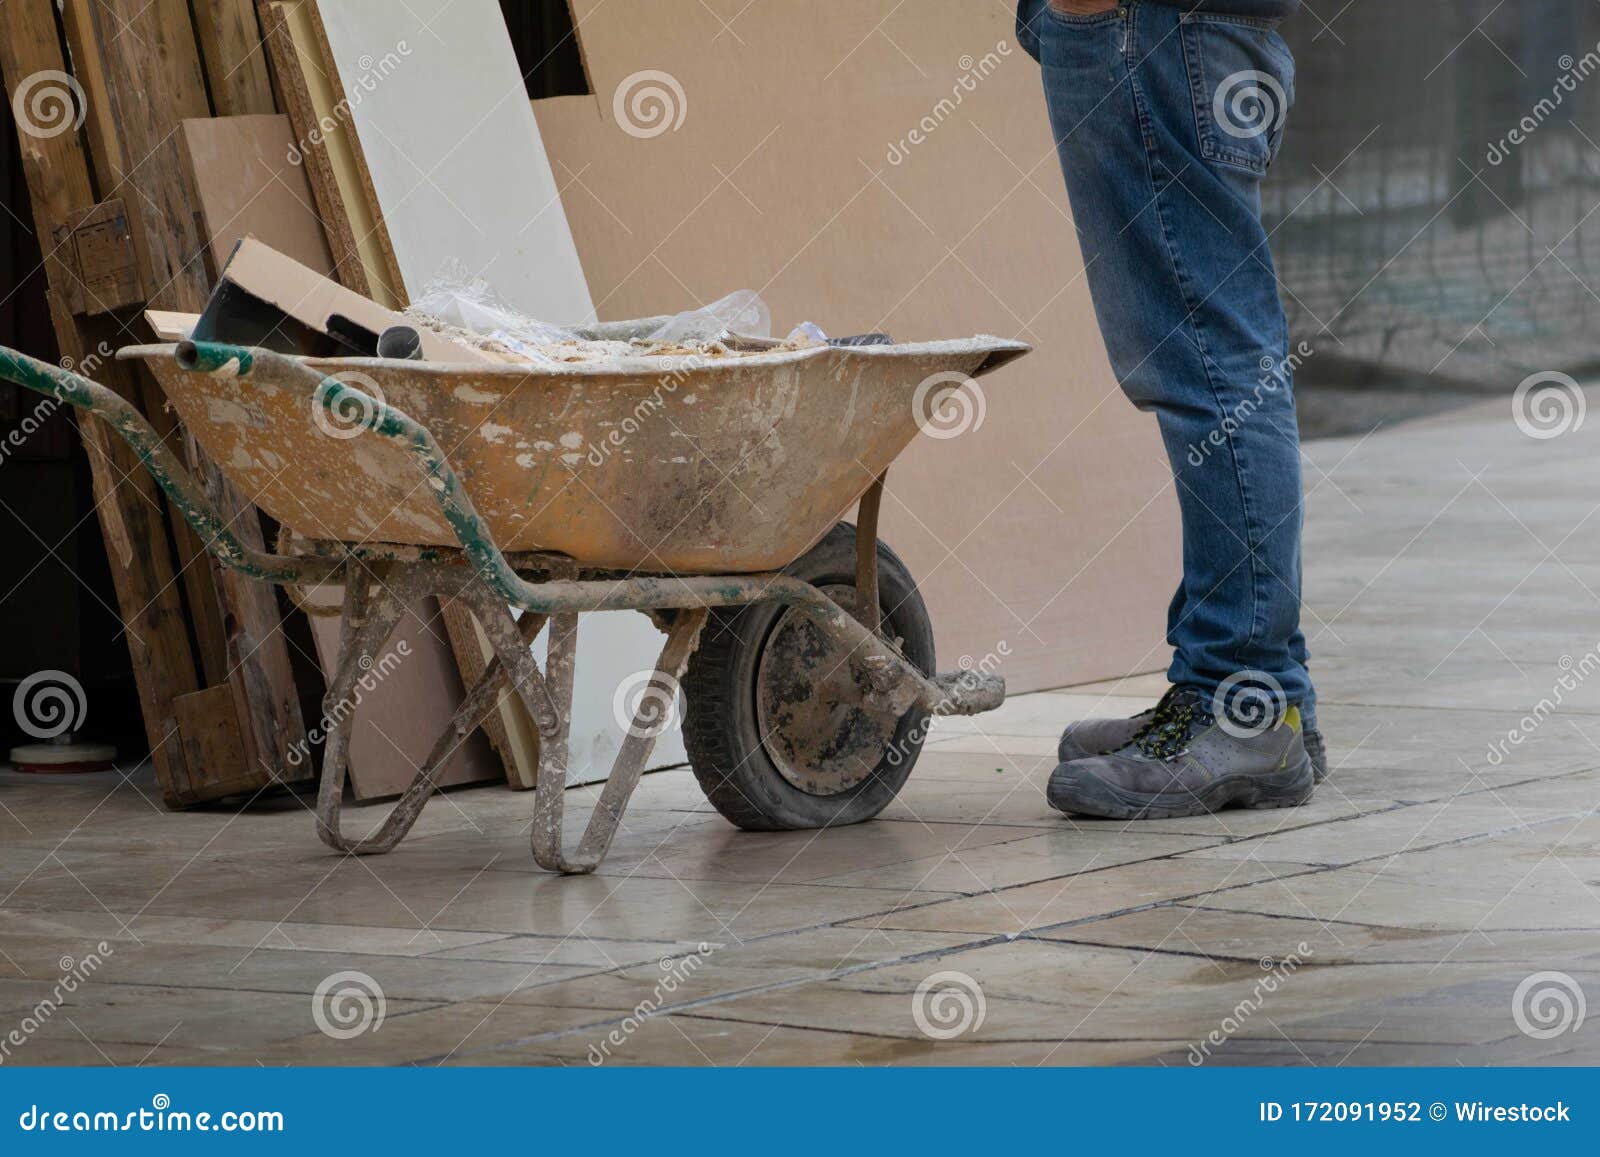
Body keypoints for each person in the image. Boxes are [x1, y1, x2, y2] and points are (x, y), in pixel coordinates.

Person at [1017, 0, 1327, 819]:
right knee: (1218, 359)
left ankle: (1235, 701)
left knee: (1211, 367)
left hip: (1153, 27)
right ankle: (1268, 701)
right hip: (1168, 28)